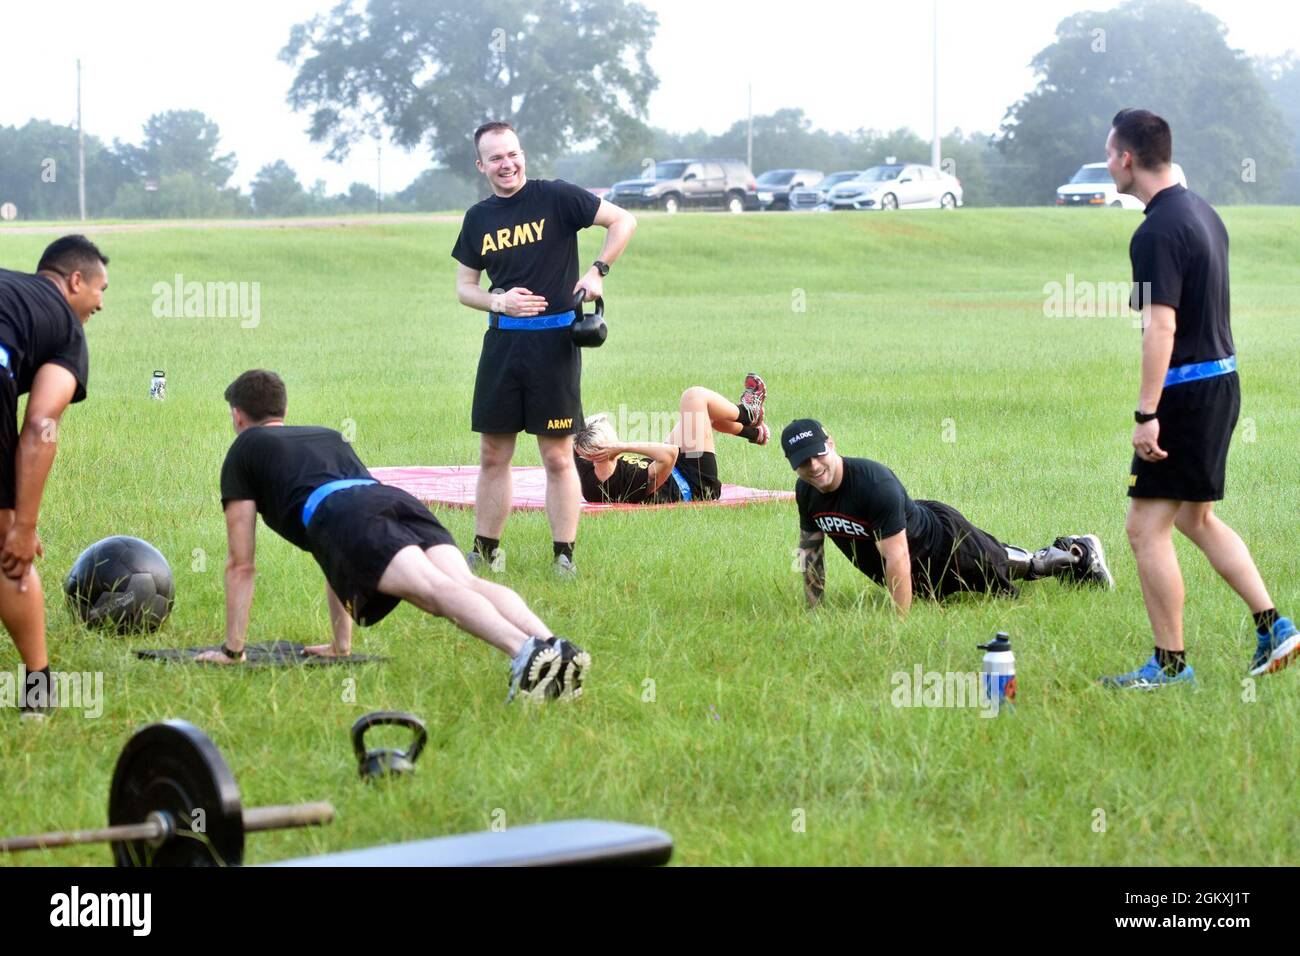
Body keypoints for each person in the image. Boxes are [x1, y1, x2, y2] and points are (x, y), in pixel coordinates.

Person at [197, 369, 589, 703]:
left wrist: (233, 651)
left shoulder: (244, 448)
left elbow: (241, 563)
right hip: (394, 501)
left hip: (347, 516)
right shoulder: (325, 435)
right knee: (465, 581)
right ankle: (553, 645)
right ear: (282, 410)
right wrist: (340, 648)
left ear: (237, 417)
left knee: (434, 592)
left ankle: (524, 652)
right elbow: (332, 557)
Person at [1100, 109, 1296, 689]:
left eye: (1110, 154)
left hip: (1184, 393)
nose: (1109, 164)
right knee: (1194, 517)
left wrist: (1146, 414)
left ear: (1128, 158)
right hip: (1221, 382)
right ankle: (1275, 626)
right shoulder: (1204, 212)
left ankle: (1170, 666)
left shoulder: (1153, 232)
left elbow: (1160, 328)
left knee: (1144, 529)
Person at [452, 120, 638, 578]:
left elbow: (623, 220)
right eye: (495, 157)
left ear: (522, 155)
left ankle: (564, 557)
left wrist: (598, 271)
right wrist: (498, 300)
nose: (506, 163)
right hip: (502, 347)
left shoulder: (556, 197)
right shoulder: (479, 218)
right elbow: (464, 288)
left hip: (554, 346)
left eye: (511, 154)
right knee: (493, 454)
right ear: (481, 166)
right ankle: (485, 549)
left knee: (557, 456)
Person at [785, 420, 1112, 613]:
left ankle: (1076, 553)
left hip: (945, 543)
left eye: (818, 454)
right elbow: (811, 551)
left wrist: (901, 624)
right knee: (985, 578)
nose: (814, 467)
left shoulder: (873, 483)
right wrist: (815, 608)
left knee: (1018, 567)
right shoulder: (807, 492)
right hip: (919, 573)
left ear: (831, 443)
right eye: (803, 462)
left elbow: (897, 556)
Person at [0, 235, 106, 719]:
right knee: (6, 552)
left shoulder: (13, 291)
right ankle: (39, 691)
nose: (99, 305)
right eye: (99, 290)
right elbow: (42, 425)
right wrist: (22, 525)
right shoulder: (66, 327)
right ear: (75, 280)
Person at [573, 374, 769, 505]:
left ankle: (755, 433)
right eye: (613, 440)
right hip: (695, 484)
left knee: (700, 415)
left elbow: (574, 434)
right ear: (606, 451)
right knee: (694, 398)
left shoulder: (585, 463)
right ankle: (747, 413)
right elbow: (670, 454)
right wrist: (623, 446)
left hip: (674, 469)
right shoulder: (626, 484)